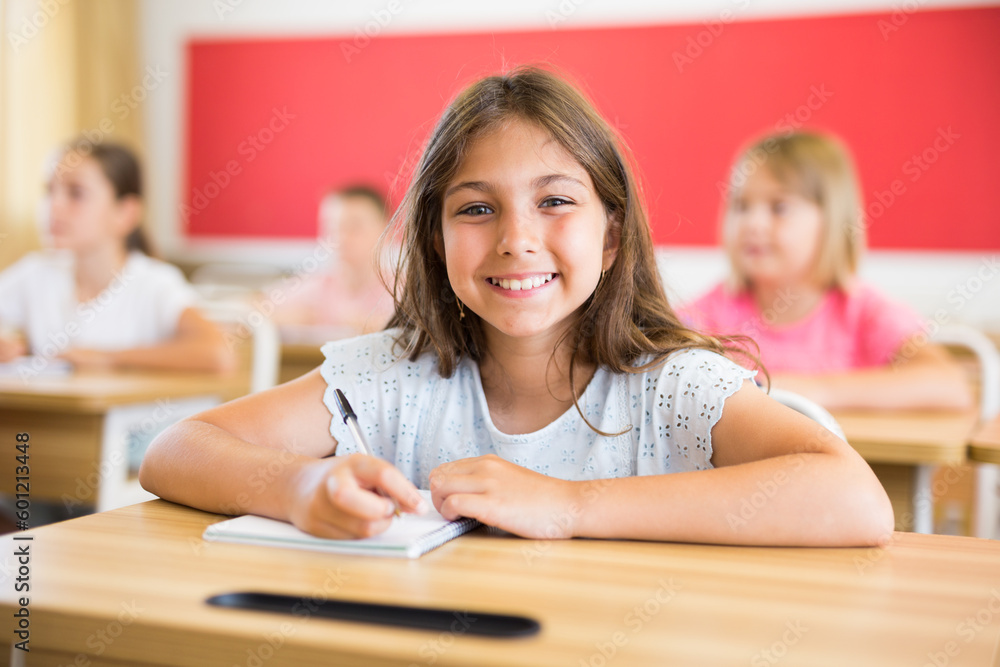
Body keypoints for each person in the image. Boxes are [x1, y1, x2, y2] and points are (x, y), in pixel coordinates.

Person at [140, 67, 892, 547]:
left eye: (556, 202)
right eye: (475, 209)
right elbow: (175, 449)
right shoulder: (392, 377)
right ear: (433, 242)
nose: (516, 240)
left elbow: (856, 500)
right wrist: (299, 487)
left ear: (611, 237)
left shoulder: (671, 388)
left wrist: (568, 505)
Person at [682, 131, 972, 411]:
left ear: (831, 221)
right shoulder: (710, 315)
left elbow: (949, 386)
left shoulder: (861, 312)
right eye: (742, 206)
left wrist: (813, 391)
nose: (753, 223)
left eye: (779, 207)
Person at [0, 140, 233, 373]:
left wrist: (107, 357)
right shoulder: (35, 273)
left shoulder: (153, 284)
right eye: (49, 191)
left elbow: (217, 354)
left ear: (125, 213)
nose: (53, 207)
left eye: (76, 193)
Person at [272, 186, 395, 341]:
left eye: (354, 227)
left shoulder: (403, 291)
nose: (341, 237)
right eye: (333, 227)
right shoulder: (315, 286)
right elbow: (256, 309)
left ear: (386, 231)